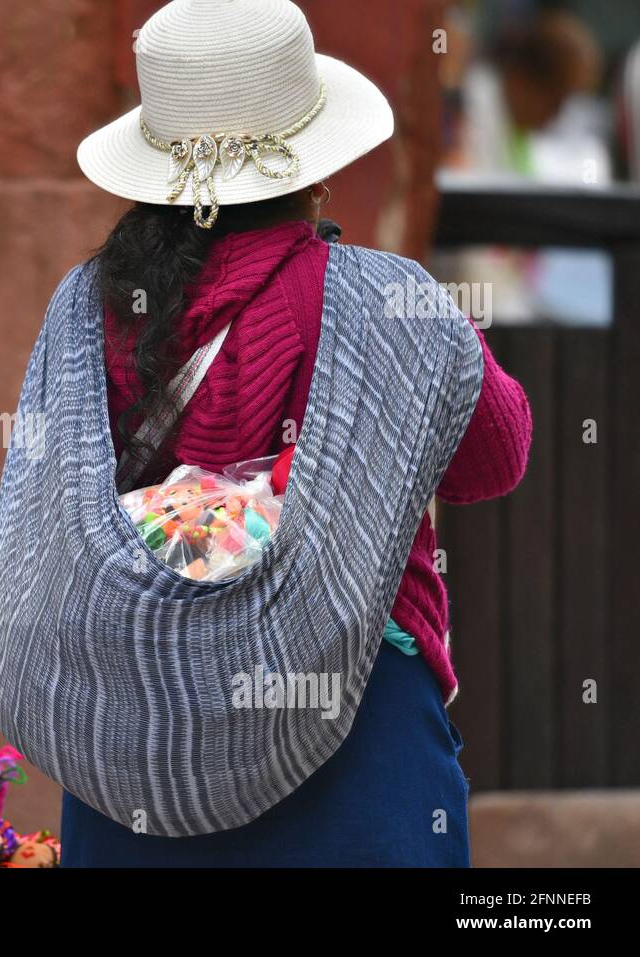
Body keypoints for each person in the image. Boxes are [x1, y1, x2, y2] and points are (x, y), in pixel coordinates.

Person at [58, 0, 533, 866]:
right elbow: (495, 459)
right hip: (356, 730)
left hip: (132, 743)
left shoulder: (86, 309)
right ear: (313, 167)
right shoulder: (387, 300)